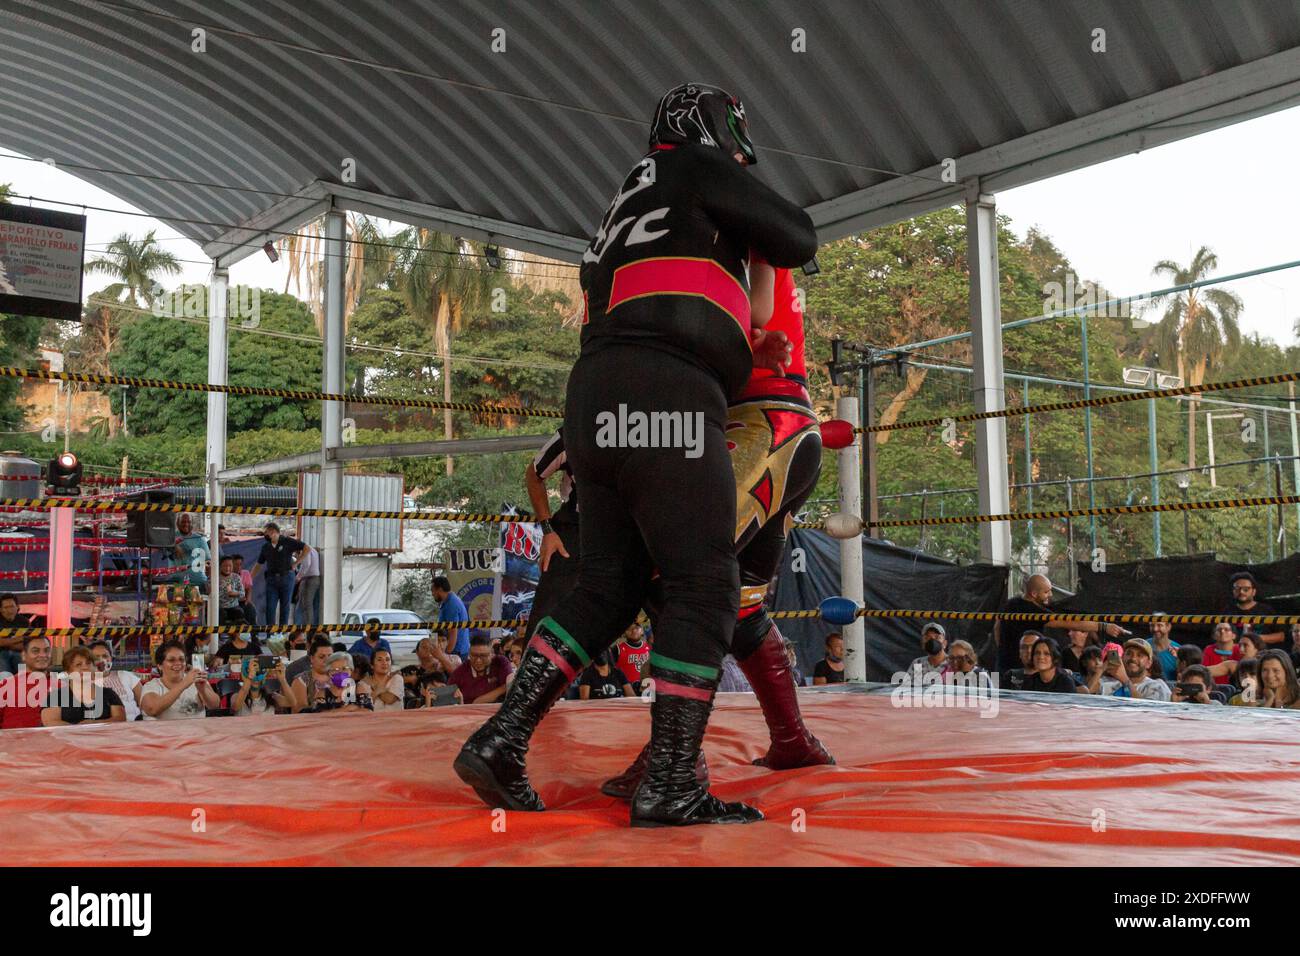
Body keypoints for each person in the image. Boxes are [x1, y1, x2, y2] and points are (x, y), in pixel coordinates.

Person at [455, 82, 816, 828]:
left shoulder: (623, 204)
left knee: (610, 586)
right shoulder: (695, 166)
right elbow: (799, 235)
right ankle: (673, 780)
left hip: (596, 395)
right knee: (705, 587)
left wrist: (742, 336)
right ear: (719, 130)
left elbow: (703, 306)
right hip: (669, 394)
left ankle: (502, 736)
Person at [995, 574, 1129, 671]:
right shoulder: (1033, 611)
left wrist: (1001, 648)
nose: (1051, 595)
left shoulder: (1011, 603)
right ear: (1034, 593)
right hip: (1019, 666)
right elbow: (1071, 623)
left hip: (1002, 662)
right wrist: (1103, 626)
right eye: (1046, 592)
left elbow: (997, 627)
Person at [524, 428, 581, 642]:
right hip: (576, 528)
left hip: (629, 528)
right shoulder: (576, 431)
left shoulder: (651, 431)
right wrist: (548, 531)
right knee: (548, 611)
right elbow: (534, 473)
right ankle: (531, 672)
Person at [41, 645, 125, 726]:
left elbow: (120, 719)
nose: (85, 667)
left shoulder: (109, 694)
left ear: (95, 668)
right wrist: (80, 730)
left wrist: (94, 724)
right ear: (68, 672)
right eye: (78, 664)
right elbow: (51, 722)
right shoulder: (55, 696)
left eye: (88, 663)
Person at [140, 640, 219, 719]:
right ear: (159, 666)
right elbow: (152, 709)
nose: (178, 663)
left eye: (181, 659)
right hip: (163, 731)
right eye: (171, 660)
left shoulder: (196, 679)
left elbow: (215, 705)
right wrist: (184, 684)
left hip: (197, 730)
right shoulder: (151, 686)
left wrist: (203, 690)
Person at [250, 522, 306, 627]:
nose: (265, 535)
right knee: (270, 607)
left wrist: (296, 563)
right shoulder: (266, 547)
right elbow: (259, 564)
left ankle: (282, 635)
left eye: (266, 533)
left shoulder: (287, 541)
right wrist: (249, 578)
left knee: (285, 607)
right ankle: (270, 635)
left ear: (273, 531)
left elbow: (306, 548)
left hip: (287, 577)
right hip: (271, 579)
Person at [0, 635, 59, 729]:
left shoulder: (62, 686)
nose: (43, 655)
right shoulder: (6, 686)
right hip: (14, 741)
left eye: (47, 650)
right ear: (23, 655)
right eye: (35, 651)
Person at [1221, 571, 1286, 646]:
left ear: (1254, 592)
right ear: (1233, 591)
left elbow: (1281, 636)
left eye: (1246, 589)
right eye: (1237, 588)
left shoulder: (1266, 610)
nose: (1241, 592)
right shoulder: (1227, 611)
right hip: (1235, 654)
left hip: (1262, 655)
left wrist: (1256, 638)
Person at [1098, 639, 1172, 701]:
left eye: (1140, 655)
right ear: (1123, 658)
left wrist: (1126, 681)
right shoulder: (1108, 684)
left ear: (1149, 663)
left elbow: (1147, 711)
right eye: (1129, 653)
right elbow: (1088, 695)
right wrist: (1102, 668)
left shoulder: (1157, 686)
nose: (1133, 658)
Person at [448, 634, 513, 705]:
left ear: (492, 654)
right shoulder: (459, 673)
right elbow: (447, 698)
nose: (478, 660)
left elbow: (511, 684)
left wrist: (480, 700)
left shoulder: (501, 662)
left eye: (483, 656)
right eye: (474, 655)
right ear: (469, 654)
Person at [88, 640, 143, 721]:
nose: (101, 660)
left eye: (105, 656)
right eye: (96, 657)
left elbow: (145, 704)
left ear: (111, 658)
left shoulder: (126, 676)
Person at [291, 640, 336, 713]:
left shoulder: (337, 677)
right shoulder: (301, 680)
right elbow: (299, 711)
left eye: (330, 657)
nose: (327, 660)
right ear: (312, 658)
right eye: (321, 657)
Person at [432, 577, 470, 658]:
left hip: (455, 652)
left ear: (440, 589)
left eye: (433, 590)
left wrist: (446, 654)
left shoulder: (451, 604)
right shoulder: (448, 601)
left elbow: (453, 632)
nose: (432, 593)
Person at [171, 513, 210, 589]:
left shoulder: (200, 539)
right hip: (176, 583)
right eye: (183, 522)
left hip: (198, 583)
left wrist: (209, 582)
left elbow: (208, 562)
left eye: (189, 522)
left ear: (192, 524)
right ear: (177, 523)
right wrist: (174, 545)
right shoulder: (171, 537)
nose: (186, 524)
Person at [0, 594, 33, 674]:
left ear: (17, 607)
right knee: (5, 673)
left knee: (24, 672)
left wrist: (6, 643)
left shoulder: (24, 621)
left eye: (12, 606)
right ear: (1, 609)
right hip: (1, 654)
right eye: (6, 607)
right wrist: (20, 638)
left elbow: (27, 643)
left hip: (19, 653)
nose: (9, 610)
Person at [1147, 614, 1180, 682]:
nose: (1155, 629)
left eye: (1159, 625)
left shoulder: (1178, 649)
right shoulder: (1143, 646)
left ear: (1168, 627)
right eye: (1152, 625)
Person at [294, 543, 321, 626]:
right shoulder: (313, 550)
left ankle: (308, 627)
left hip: (310, 579)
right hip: (312, 578)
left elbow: (306, 564)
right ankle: (308, 626)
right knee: (307, 604)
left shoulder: (306, 550)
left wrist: (298, 577)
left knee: (307, 604)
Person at [215, 556, 246, 625]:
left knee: (239, 612)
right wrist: (225, 592)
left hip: (233, 606)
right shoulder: (215, 577)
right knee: (220, 614)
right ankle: (219, 635)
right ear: (220, 566)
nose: (228, 568)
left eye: (230, 566)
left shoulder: (236, 577)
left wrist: (235, 593)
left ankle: (237, 635)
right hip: (220, 607)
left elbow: (243, 593)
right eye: (225, 566)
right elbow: (211, 594)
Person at [231, 554, 257, 625]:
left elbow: (249, 589)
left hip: (242, 601)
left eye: (240, 564)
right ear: (231, 564)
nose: (238, 567)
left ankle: (253, 633)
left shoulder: (245, 573)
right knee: (238, 611)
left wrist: (248, 600)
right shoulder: (227, 575)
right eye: (236, 564)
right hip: (231, 602)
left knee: (251, 609)